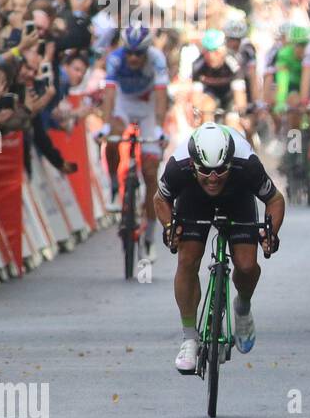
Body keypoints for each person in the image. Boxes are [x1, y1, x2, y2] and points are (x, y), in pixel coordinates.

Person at [156, 123, 284, 373]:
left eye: (219, 171)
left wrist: (271, 232)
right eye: (205, 170)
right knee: (187, 260)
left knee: (247, 265)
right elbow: (160, 199)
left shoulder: (246, 165)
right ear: (193, 163)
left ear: (229, 162)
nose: (213, 178)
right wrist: (170, 226)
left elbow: (275, 200)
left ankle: (243, 308)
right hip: (193, 197)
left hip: (238, 196)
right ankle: (190, 338)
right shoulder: (178, 165)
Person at [103, 24, 169, 255]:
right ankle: (113, 184)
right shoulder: (114, 58)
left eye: (138, 53)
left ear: (146, 51)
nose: (132, 58)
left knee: (150, 172)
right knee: (111, 139)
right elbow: (109, 93)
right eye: (129, 52)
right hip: (124, 104)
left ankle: (150, 237)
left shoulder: (157, 59)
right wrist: (105, 123)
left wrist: (160, 128)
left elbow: (161, 95)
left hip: (149, 107)